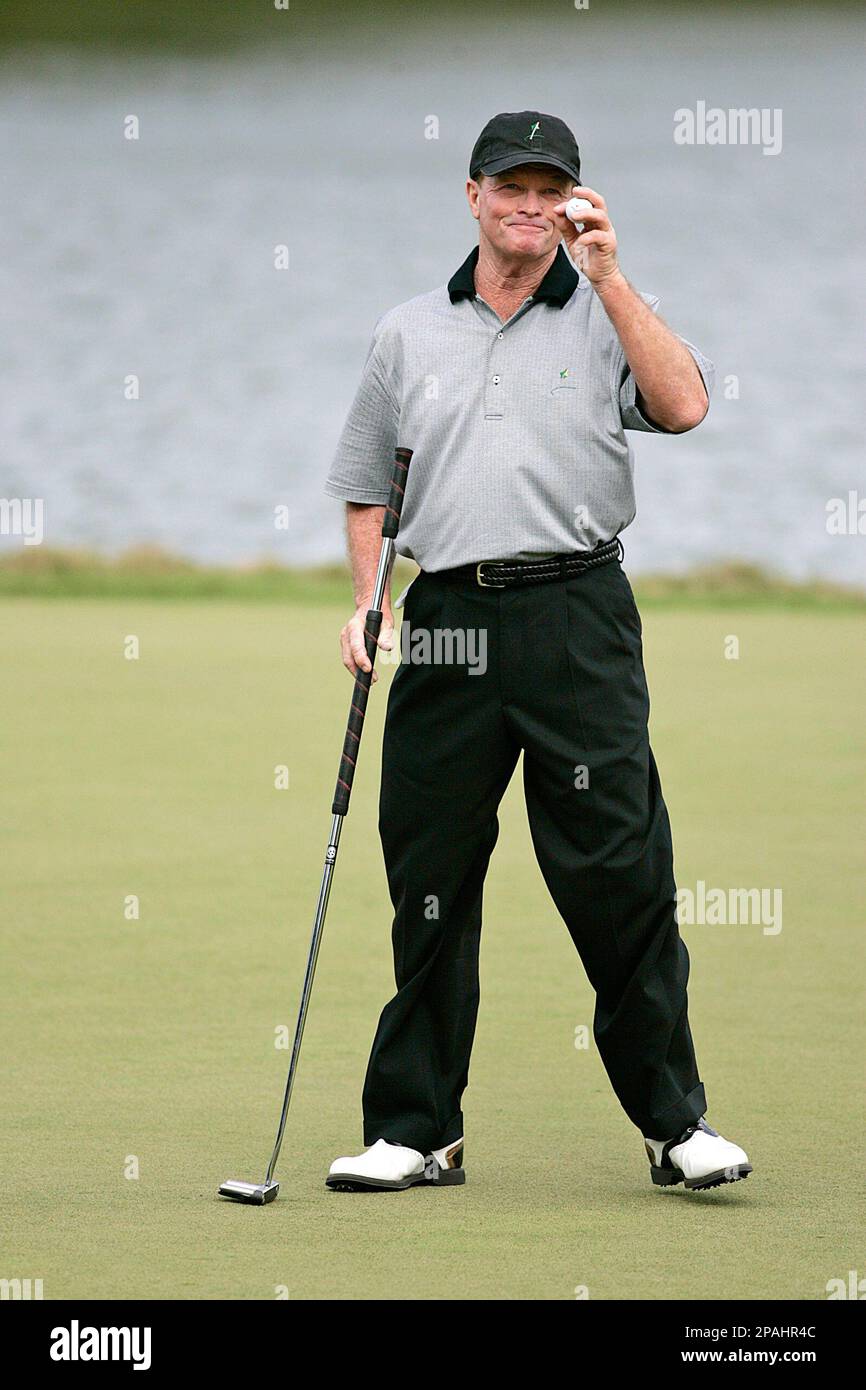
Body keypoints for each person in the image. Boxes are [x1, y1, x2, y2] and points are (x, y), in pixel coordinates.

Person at [323, 111, 751, 1194]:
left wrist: (609, 275)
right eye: (507, 188)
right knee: (428, 874)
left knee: (617, 871)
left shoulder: (607, 311)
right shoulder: (407, 331)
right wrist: (369, 599)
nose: (526, 206)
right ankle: (416, 1130)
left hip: (575, 613)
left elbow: (686, 405)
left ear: (574, 201)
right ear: (470, 196)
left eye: (546, 189)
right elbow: (369, 481)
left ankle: (673, 1124)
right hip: (449, 619)